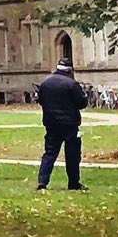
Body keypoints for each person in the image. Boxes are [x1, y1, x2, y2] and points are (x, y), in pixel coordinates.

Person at [35, 52, 89, 191]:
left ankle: (43, 181)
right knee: (72, 154)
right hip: (70, 124)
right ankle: (73, 182)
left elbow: (40, 100)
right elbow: (82, 103)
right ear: (70, 70)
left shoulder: (45, 83)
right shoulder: (72, 84)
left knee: (50, 152)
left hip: (51, 122)